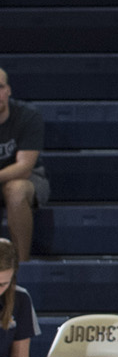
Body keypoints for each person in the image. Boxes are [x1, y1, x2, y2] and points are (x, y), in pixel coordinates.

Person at [0, 70, 47, 264]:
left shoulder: (27, 116)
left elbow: (24, 167)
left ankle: (21, 267)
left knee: (16, 190)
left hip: (29, 179)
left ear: (8, 90)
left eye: (0, 87)